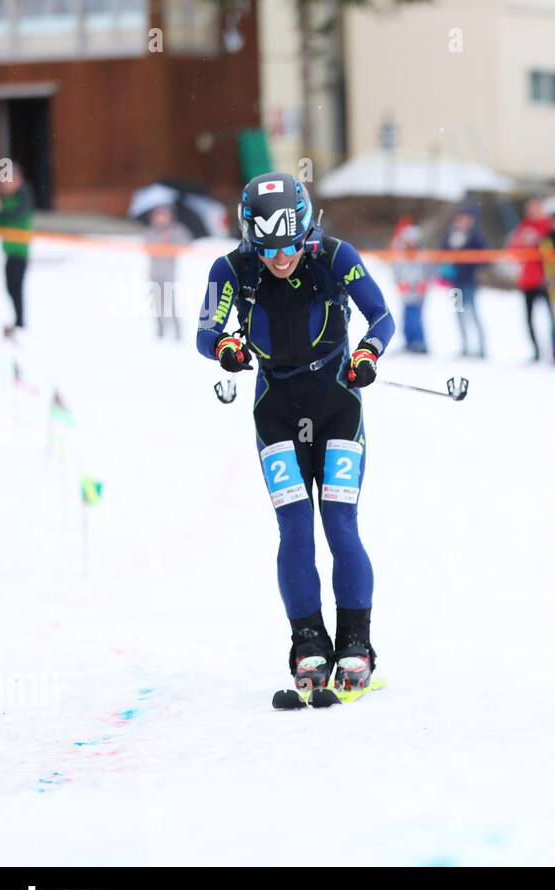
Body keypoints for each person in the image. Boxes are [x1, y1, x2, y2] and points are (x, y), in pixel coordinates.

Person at [197, 172, 394, 692]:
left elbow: (381, 318)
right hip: (276, 412)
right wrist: (227, 350)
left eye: (288, 246)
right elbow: (205, 332)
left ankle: (355, 641)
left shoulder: (335, 256)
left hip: (337, 408)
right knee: (295, 530)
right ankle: (308, 643)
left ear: (306, 230)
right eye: (267, 249)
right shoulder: (232, 268)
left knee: (339, 524)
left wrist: (367, 355)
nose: (279, 259)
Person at [0, 162, 34, 336]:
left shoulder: (24, 196)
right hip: (9, 252)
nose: (4, 185)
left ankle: (20, 324)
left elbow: (15, 215)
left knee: (16, 287)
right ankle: (17, 323)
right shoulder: (6, 200)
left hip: (20, 252)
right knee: (10, 287)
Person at [508, 199, 555, 363]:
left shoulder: (548, 226)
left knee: (552, 317)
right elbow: (514, 248)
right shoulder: (524, 227)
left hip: (546, 279)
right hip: (528, 280)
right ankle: (536, 351)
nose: (533, 212)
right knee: (529, 318)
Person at [442, 206, 487, 358]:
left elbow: (483, 256)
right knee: (458, 314)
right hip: (455, 282)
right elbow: (442, 253)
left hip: (469, 281)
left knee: (473, 313)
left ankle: (481, 348)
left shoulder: (476, 236)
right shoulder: (451, 234)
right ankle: (465, 346)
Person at [145, 205, 192, 340]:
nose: (160, 220)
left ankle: (178, 334)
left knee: (171, 306)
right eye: (157, 217)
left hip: (168, 277)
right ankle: (160, 333)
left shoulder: (176, 231)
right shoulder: (151, 233)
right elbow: (146, 245)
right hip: (154, 275)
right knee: (156, 306)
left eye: (163, 217)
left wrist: (171, 239)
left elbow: (187, 241)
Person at [394, 225, 430, 353]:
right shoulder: (401, 255)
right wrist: (400, 283)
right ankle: (409, 342)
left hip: (418, 291)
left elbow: (427, 271)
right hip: (406, 291)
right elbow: (397, 271)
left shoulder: (422, 255)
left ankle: (419, 343)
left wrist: (423, 283)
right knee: (406, 316)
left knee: (415, 317)